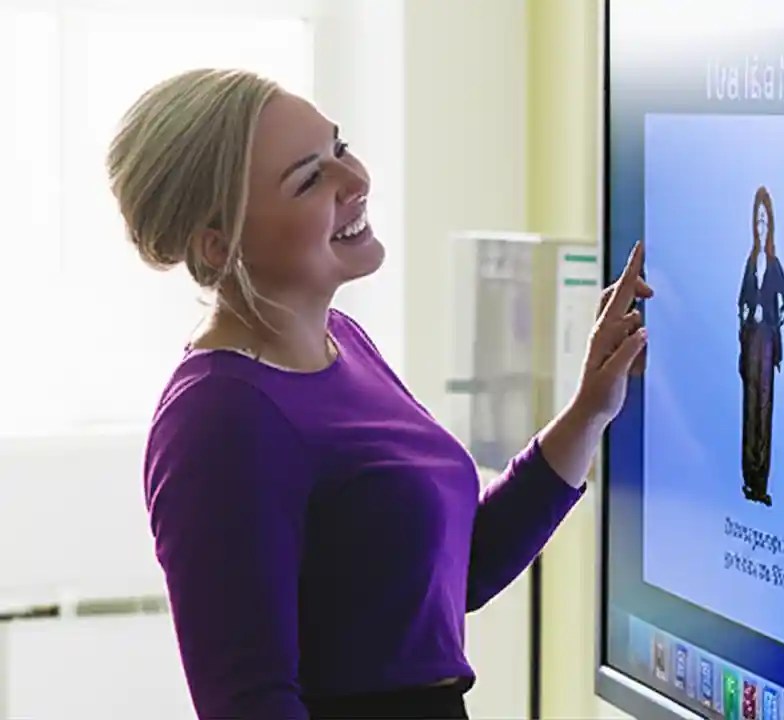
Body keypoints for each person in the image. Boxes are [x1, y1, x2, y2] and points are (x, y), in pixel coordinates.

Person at [106, 68, 650, 719]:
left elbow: (457, 571)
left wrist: (590, 408)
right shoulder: (219, 417)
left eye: (340, 149)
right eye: (311, 179)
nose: (356, 181)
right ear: (220, 245)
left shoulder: (344, 342)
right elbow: (249, 705)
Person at [737, 186, 784, 507]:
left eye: (764, 219)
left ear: (770, 223)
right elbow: (739, 302)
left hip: (767, 343)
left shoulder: (773, 263)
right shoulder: (749, 263)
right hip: (750, 342)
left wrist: (772, 322)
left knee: (764, 408)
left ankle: (761, 483)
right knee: (748, 411)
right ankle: (748, 480)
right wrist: (748, 316)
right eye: (756, 219)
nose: (760, 225)